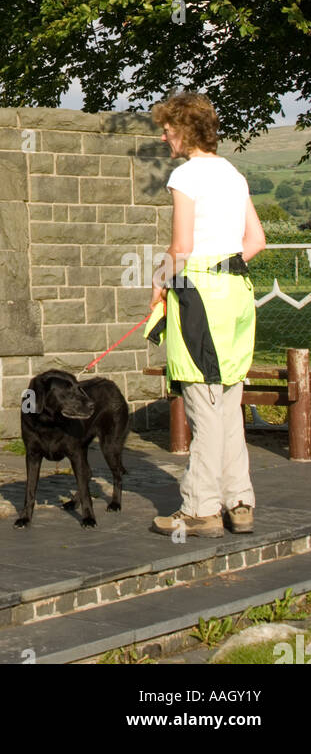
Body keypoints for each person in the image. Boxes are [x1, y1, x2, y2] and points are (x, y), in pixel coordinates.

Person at [146, 92, 266, 537]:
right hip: (237, 291)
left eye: (167, 128)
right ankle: (239, 503)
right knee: (228, 400)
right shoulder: (234, 174)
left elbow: (180, 249)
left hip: (200, 295)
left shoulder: (187, 176)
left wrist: (160, 284)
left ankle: (199, 509)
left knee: (205, 402)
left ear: (185, 129)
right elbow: (255, 241)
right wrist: (223, 266)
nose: (164, 135)